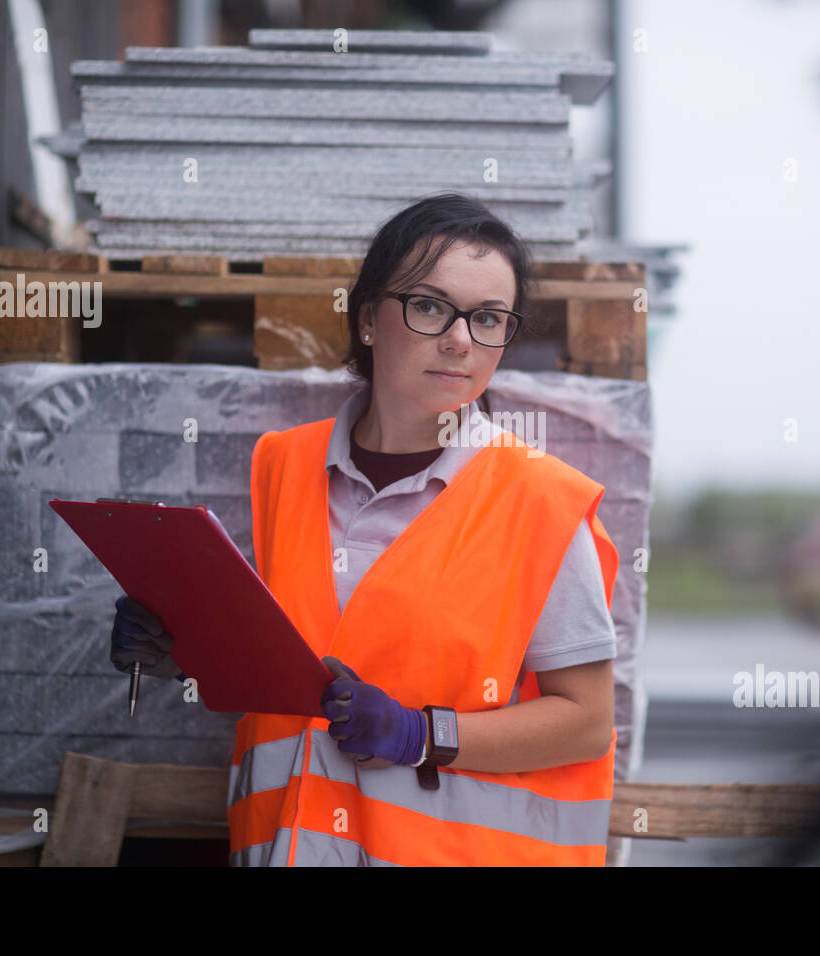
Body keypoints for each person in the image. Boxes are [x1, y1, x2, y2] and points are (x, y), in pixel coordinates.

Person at [110, 192, 621, 865]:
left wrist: (420, 734)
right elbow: (286, 669)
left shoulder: (540, 500)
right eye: (431, 305)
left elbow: (586, 723)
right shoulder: (287, 466)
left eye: (489, 318)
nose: (461, 339)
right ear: (369, 321)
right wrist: (179, 652)